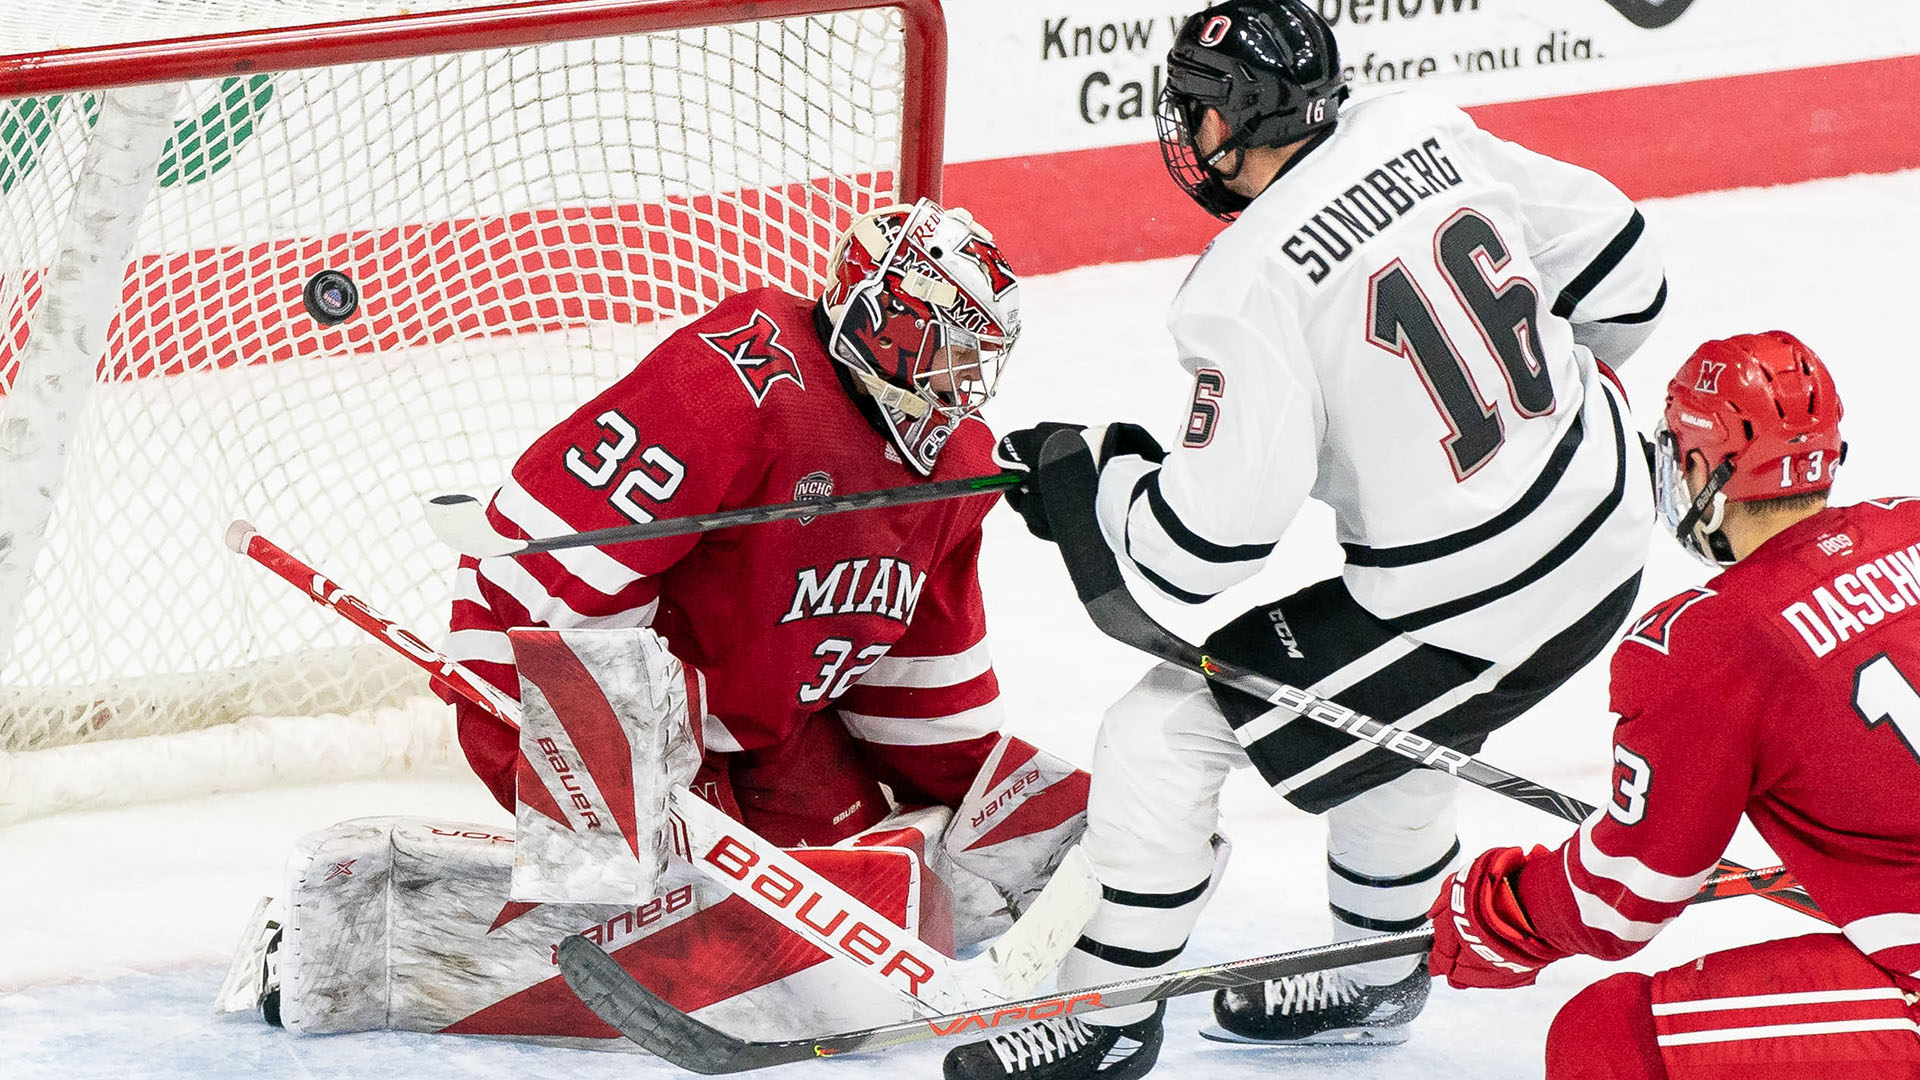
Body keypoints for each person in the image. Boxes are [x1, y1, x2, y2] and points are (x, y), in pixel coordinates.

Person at [940, 2, 1668, 1076]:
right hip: (1616, 516)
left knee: (1168, 732)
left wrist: (1089, 485)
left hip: (1489, 599)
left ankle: (1105, 1015)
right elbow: (1628, 276)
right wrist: (1534, 439)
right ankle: (1379, 969)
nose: (1183, 126)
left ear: (1233, 118)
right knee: (1386, 700)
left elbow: (1199, 551)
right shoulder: (1421, 124)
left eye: (1195, 105)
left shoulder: (1243, 285)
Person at [218, 199, 1092, 1042]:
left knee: (852, 888)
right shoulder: (744, 374)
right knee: (648, 893)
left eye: (978, 355)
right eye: (944, 347)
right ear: (877, 318)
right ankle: (336, 932)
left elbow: (918, 660)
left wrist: (975, 787)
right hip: (567, 669)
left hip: (756, 723)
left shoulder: (957, 465)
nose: (961, 381)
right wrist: (639, 767)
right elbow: (564, 569)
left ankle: (676, 894)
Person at [1428, 331, 1920, 1080]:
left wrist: (1505, 913)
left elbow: (1622, 901)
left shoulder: (1703, 640)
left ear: (1696, 464)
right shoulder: (1910, 523)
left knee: (1609, 1040)